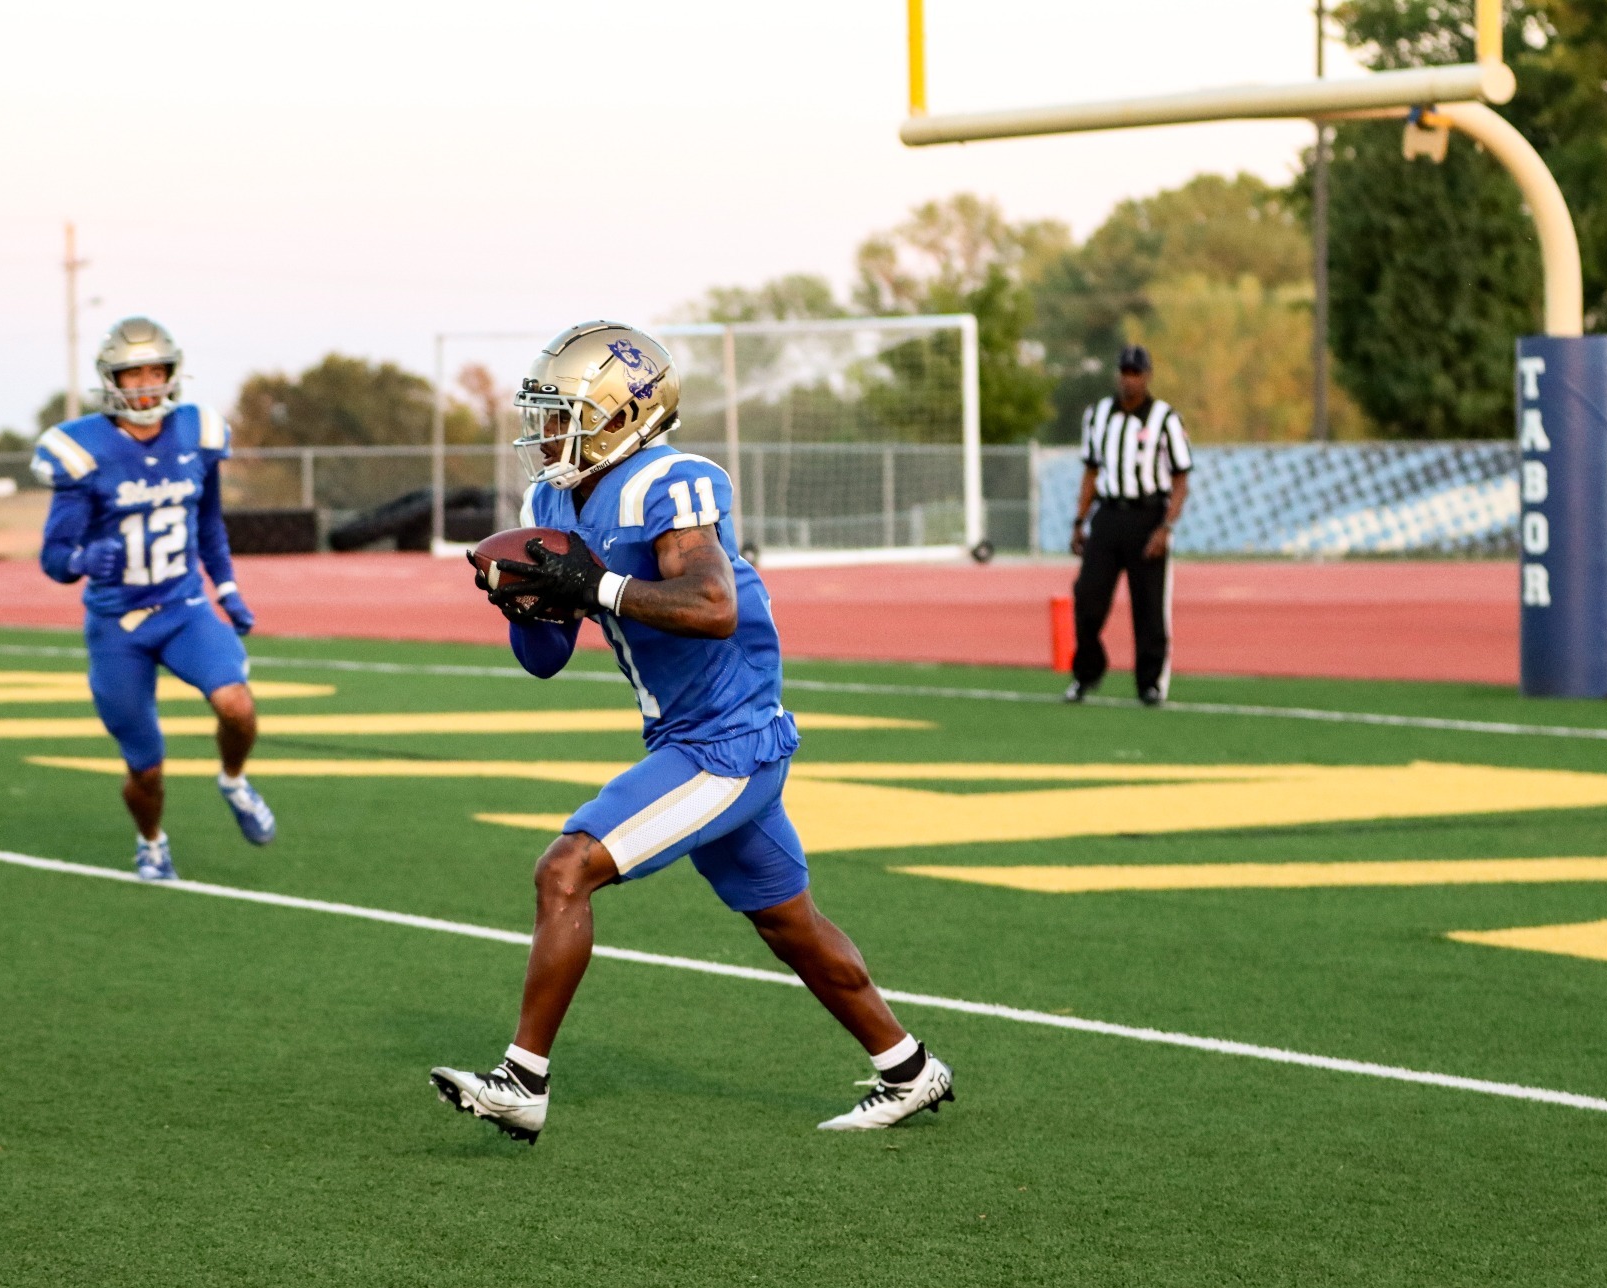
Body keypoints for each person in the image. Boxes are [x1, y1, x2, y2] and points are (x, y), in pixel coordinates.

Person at [429, 321, 953, 1143]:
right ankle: (910, 1067)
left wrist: (596, 585)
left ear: (623, 415)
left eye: (564, 414)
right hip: (687, 738)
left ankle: (522, 1081)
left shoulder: (670, 483)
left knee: (564, 869)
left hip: (728, 740)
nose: (547, 433)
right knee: (790, 924)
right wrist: (523, 604)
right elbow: (546, 658)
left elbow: (714, 606)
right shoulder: (552, 500)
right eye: (545, 414)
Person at [33, 315, 276, 881]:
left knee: (237, 705)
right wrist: (83, 561)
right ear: (111, 379)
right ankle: (151, 841)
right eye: (133, 373)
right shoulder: (83, 449)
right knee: (145, 768)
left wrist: (227, 589)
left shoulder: (196, 432)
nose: (146, 384)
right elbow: (54, 557)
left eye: (155, 371)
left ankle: (234, 780)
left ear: (172, 373)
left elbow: (208, 524)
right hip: (118, 625)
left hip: (183, 608)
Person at [1066, 344, 1193, 706]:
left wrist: (1166, 527)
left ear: (1148, 376)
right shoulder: (1098, 415)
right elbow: (1091, 471)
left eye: (1136, 373)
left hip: (1147, 515)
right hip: (1108, 515)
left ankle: (1150, 683)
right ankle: (1086, 673)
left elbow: (1181, 479)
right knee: (1087, 597)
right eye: (1125, 372)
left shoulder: (1165, 418)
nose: (1130, 379)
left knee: (1149, 605)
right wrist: (1079, 520)